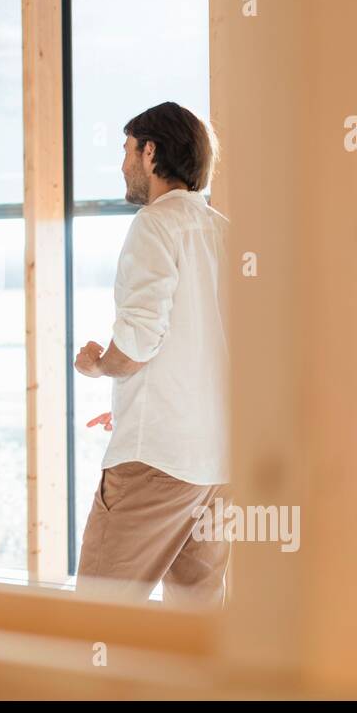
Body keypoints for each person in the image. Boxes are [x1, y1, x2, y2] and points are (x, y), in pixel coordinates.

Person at [73, 101, 231, 606]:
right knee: (197, 617)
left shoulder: (154, 224)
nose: (122, 164)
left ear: (150, 151)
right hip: (216, 463)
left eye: (126, 150)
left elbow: (139, 340)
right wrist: (135, 403)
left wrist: (100, 365)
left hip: (156, 461)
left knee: (97, 611)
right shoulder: (224, 232)